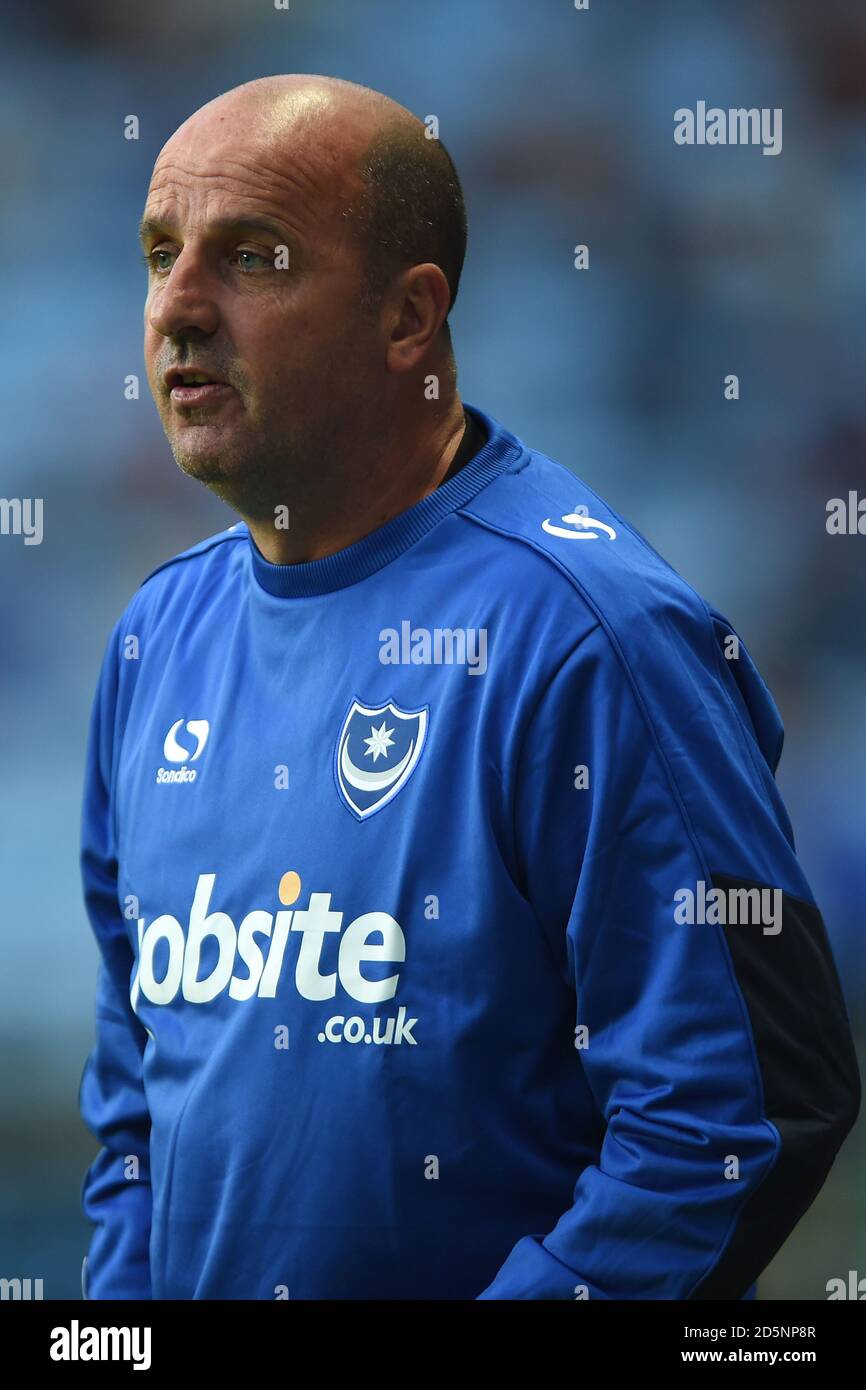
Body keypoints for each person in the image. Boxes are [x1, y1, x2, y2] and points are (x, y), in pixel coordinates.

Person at [78, 74, 860, 1300]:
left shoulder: (589, 636)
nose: (177, 306)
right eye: (159, 253)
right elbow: (136, 1112)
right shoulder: (152, 642)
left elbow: (733, 1116)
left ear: (408, 318)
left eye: (252, 257)